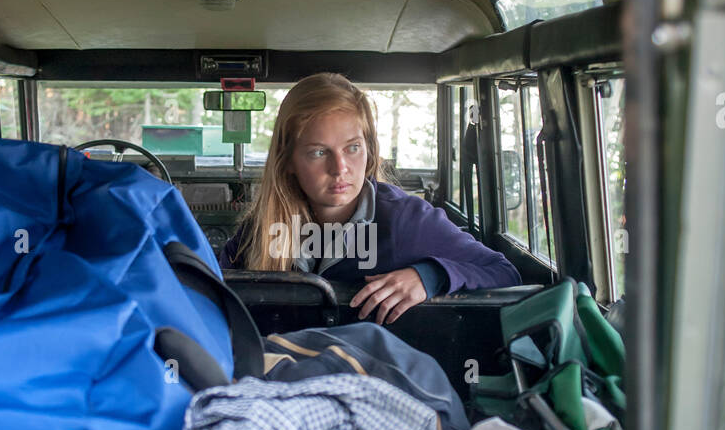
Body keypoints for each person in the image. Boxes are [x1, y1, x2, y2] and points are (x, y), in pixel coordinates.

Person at [219, 73, 521, 325]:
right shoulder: (264, 229)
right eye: (318, 152)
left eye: (352, 148)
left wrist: (430, 275)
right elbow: (209, 290)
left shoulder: (406, 220)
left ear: (369, 149)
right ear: (288, 161)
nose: (339, 169)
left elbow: (505, 273)